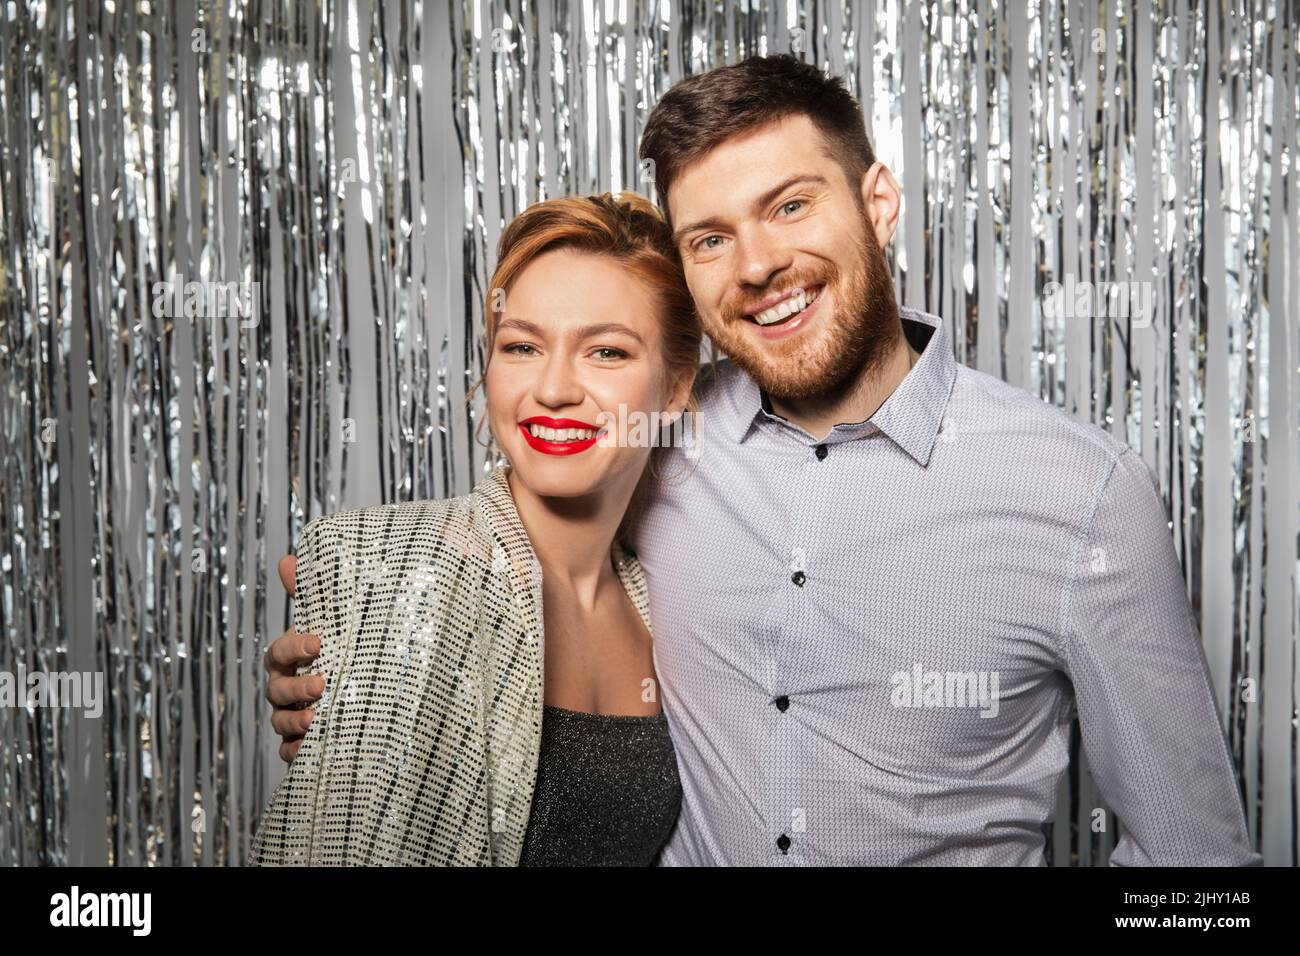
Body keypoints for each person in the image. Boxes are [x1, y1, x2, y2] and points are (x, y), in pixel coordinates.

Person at [264, 56, 1259, 866]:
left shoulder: (1078, 492)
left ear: (877, 202)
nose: (755, 265)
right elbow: (520, 515)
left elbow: (1200, 863)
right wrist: (366, 658)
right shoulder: (662, 439)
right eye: (709, 237)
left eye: (789, 206)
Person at [250, 193, 698, 865]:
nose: (552, 389)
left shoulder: (657, 595)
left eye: (605, 352)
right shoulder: (408, 568)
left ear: (675, 389)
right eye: (522, 345)